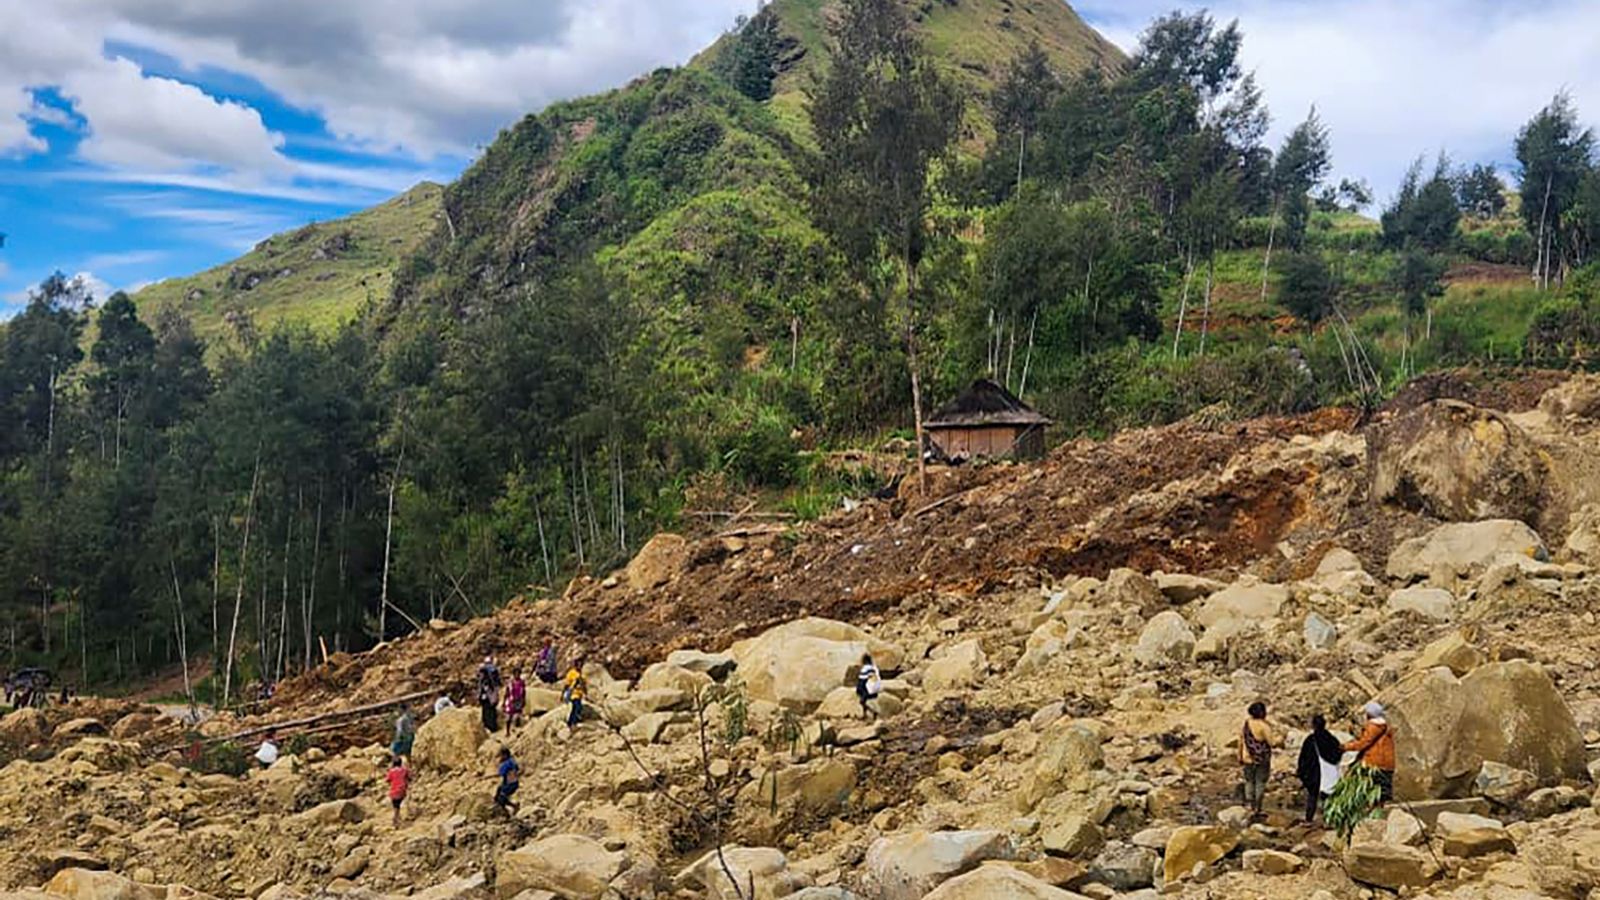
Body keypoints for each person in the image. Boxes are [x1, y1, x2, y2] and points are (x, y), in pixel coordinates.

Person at [1344, 701, 1396, 803]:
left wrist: (1345, 747)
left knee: (1373, 791)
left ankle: (1376, 813)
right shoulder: (1384, 725)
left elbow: (1364, 743)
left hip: (1376, 763)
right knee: (1383, 792)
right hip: (1387, 763)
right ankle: (1383, 812)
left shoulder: (1374, 726)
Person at [1296, 714, 1343, 823]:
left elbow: (1304, 758)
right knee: (1328, 797)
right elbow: (1338, 753)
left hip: (1314, 772)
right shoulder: (1331, 739)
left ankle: (1309, 819)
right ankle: (1328, 819)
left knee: (1312, 796)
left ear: (1313, 726)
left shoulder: (1310, 740)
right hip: (1329, 772)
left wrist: (1301, 772)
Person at [1239, 701, 1277, 816]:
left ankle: (1249, 805)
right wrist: (1281, 739)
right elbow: (1272, 742)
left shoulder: (1246, 724)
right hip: (1261, 759)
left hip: (1247, 757)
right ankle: (1257, 807)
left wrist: (1239, 755)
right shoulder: (1264, 726)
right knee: (1260, 782)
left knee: (1249, 781)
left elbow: (1241, 741)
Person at [477, 655, 503, 732]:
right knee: (490, 710)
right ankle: (491, 726)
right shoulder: (493, 671)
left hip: (488, 695)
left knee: (488, 711)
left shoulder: (488, 675)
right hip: (490, 695)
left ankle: (490, 726)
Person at [562, 656, 588, 729]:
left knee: (578, 708)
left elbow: (584, 685)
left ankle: (571, 722)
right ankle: (572, 722)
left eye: (581, 665)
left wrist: (586, 693)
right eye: (578, 665)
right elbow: (567, 684)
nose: (580, 666)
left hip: (579, 694)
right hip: (573, 693)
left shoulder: (582, 675)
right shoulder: (571, 673)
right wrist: (563, 694)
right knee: (576, 706)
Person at [386, 755, 411, 828]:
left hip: (394, 791)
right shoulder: (404, 770)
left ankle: (396, 820)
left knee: (396, 807)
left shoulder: (391, 771)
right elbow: (409, 777)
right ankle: (397, 819)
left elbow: (387, 780)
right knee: (398, 806)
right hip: (402, 791)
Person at [493, 747, 520, 813]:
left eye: (501, 755)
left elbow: (501, 773)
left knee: (501, 799)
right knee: (499, 795)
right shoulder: (512, 761)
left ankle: (506, 813)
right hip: (513, 783)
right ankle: (513, 806)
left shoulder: (506, 764)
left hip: (509, 784)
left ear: (505, 755)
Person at [856, 654, 882, 720]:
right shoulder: (875, 667)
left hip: (869, 690)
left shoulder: (865, 668)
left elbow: (861, 681)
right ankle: (868, 713)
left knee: (861, 700)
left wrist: (858, 690)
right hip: (877, 689)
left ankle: (871, 712)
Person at [503, 668, 527, 735]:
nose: (517, 675)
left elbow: (524, 692)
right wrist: (504, 702)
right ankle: (507, 731)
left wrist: (523, 700)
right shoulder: (510, 683)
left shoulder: (521, 682)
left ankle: (515, 731)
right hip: (511, 700)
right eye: (515, 674)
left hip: (518, 701)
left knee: (516, 717)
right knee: (508, 717)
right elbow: (507, 692)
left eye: (518, 674)